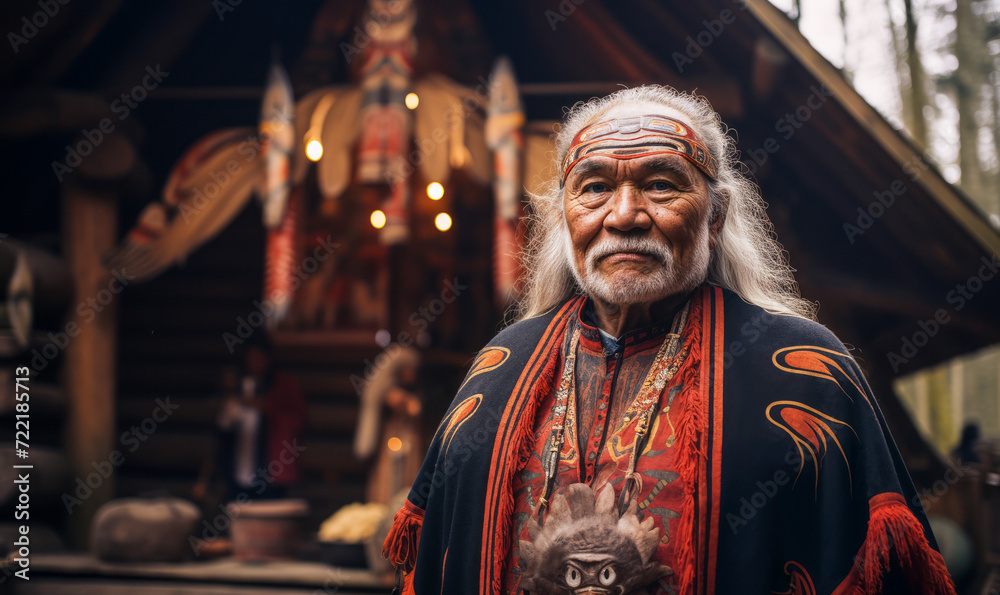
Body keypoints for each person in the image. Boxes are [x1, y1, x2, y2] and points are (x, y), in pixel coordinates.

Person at [383, 85, 956, 594]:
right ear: (564, 218)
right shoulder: (500, 366)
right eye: (595, 188)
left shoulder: (806, 372)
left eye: (660, 185)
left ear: (714, 216)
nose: (624, 215)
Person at [194, 336, 306, 503]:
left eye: (259, 358)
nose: (255, 363)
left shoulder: (283, 384)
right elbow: (221, 432)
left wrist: (266, 407)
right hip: (237, 470)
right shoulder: (236, 386)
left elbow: (299, 420)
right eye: (251, 358)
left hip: (272, 471)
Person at [354, 345, 423, 505]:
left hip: (406, 440)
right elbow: (412, 408)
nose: (412, 374)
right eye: (410, 369)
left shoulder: (406, 390)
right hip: (395, 439)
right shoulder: (393, 394)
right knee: (390, 479)